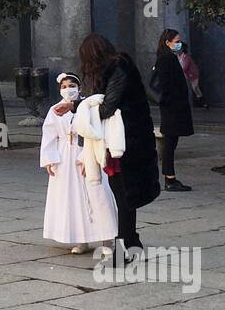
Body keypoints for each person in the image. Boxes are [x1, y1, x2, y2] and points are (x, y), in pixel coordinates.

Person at [60, 34, 159, 259]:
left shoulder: (119, 68)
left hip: (126, 142)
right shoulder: (114, 69)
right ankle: (131, 241)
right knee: (124, 194)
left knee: (124, 195)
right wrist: (76, 106)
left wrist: (79, 108)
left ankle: (125, 246)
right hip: (121, 140)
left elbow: (108, 106)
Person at [41, 72, 117, 255]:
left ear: (80, 88)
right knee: (71, 199)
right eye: (64, 87)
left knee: (97, 195)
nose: (69, 90)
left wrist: (86, 157)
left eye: (72, 86)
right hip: (64, 157)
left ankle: (108, 238)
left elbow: (93, 132)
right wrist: (50, 159)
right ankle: (81, 239)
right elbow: (49, 134)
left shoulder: (87, 107)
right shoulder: (55, 110)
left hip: (86, 152)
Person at [151, 29, 194, 191]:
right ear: (167, 43)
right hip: (172, 107)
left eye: (179, 41)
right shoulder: (166, 59)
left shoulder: (168, 58)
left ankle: (170, 177)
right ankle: (170, 178)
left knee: (171, 142)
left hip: (172, 106)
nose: (179, 44)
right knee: (170, 143)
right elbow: (165, 83)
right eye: (176, 41)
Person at [179, 45, 207, 109]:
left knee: (195, 88)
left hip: (192, 74)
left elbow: (185, 67)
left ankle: (202, 102)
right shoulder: (179, 57)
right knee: (194, 88)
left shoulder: (186, 57)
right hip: (186, 75)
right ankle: (201, 101)